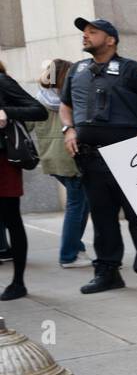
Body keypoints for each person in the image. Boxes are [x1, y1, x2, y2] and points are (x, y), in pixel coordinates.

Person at [59, 17, 137, 294]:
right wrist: (68, 130)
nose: (85, 36)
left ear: (110, 39)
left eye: (92, 32)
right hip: (91, 159)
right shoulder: (77, 70)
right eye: (84, 32)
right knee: (103, 218)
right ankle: (107, 272)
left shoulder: (133, 70)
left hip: (128, 158)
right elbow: (65, 105)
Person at [30, 59, 90, 269]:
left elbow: (27, 125)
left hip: (51, 159)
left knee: (81, 204)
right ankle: (68, 255)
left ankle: (76, 247)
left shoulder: (38, 100)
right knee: (77, 206)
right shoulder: (70, 100)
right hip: (70, 158)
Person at [0, 62, 47, 300]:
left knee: (11, 220)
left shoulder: (2, 81)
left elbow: (39, 110)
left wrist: (7, 112)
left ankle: (18, 282)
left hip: (3, 164)